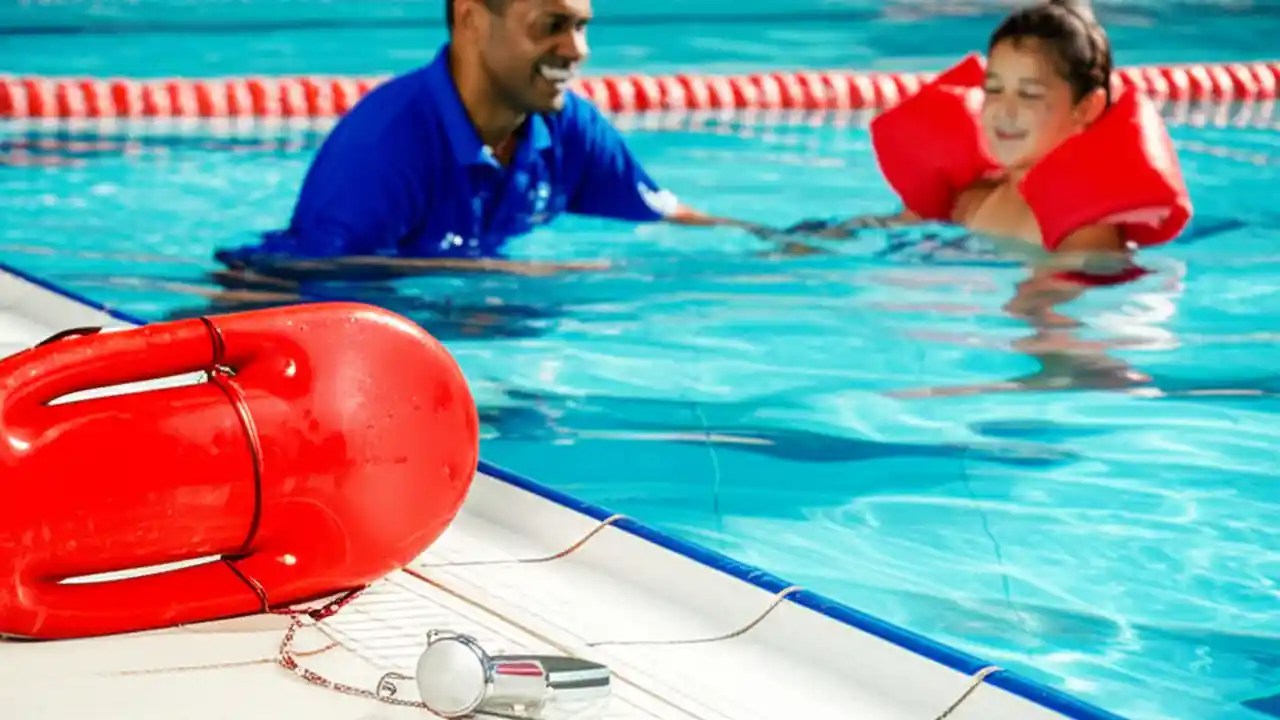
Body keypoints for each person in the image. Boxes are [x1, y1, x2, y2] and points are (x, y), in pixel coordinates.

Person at [771, 0, 1195, 396]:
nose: (1004, 110)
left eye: (1029, 94)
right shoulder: (974, 197)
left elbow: (1050, 325)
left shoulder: (1082, 232)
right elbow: (878, 230)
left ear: (1086, 109)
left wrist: (977, 393)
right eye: (994, 89)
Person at [211, 0, 762, 286]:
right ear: (472, 19)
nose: (578, 49)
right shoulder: (385, 150)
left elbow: (663, 212)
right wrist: (501, 280)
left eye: (582, 26)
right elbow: (318, 287)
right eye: (553, 24)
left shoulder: (566, 126)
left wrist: (774, 241)